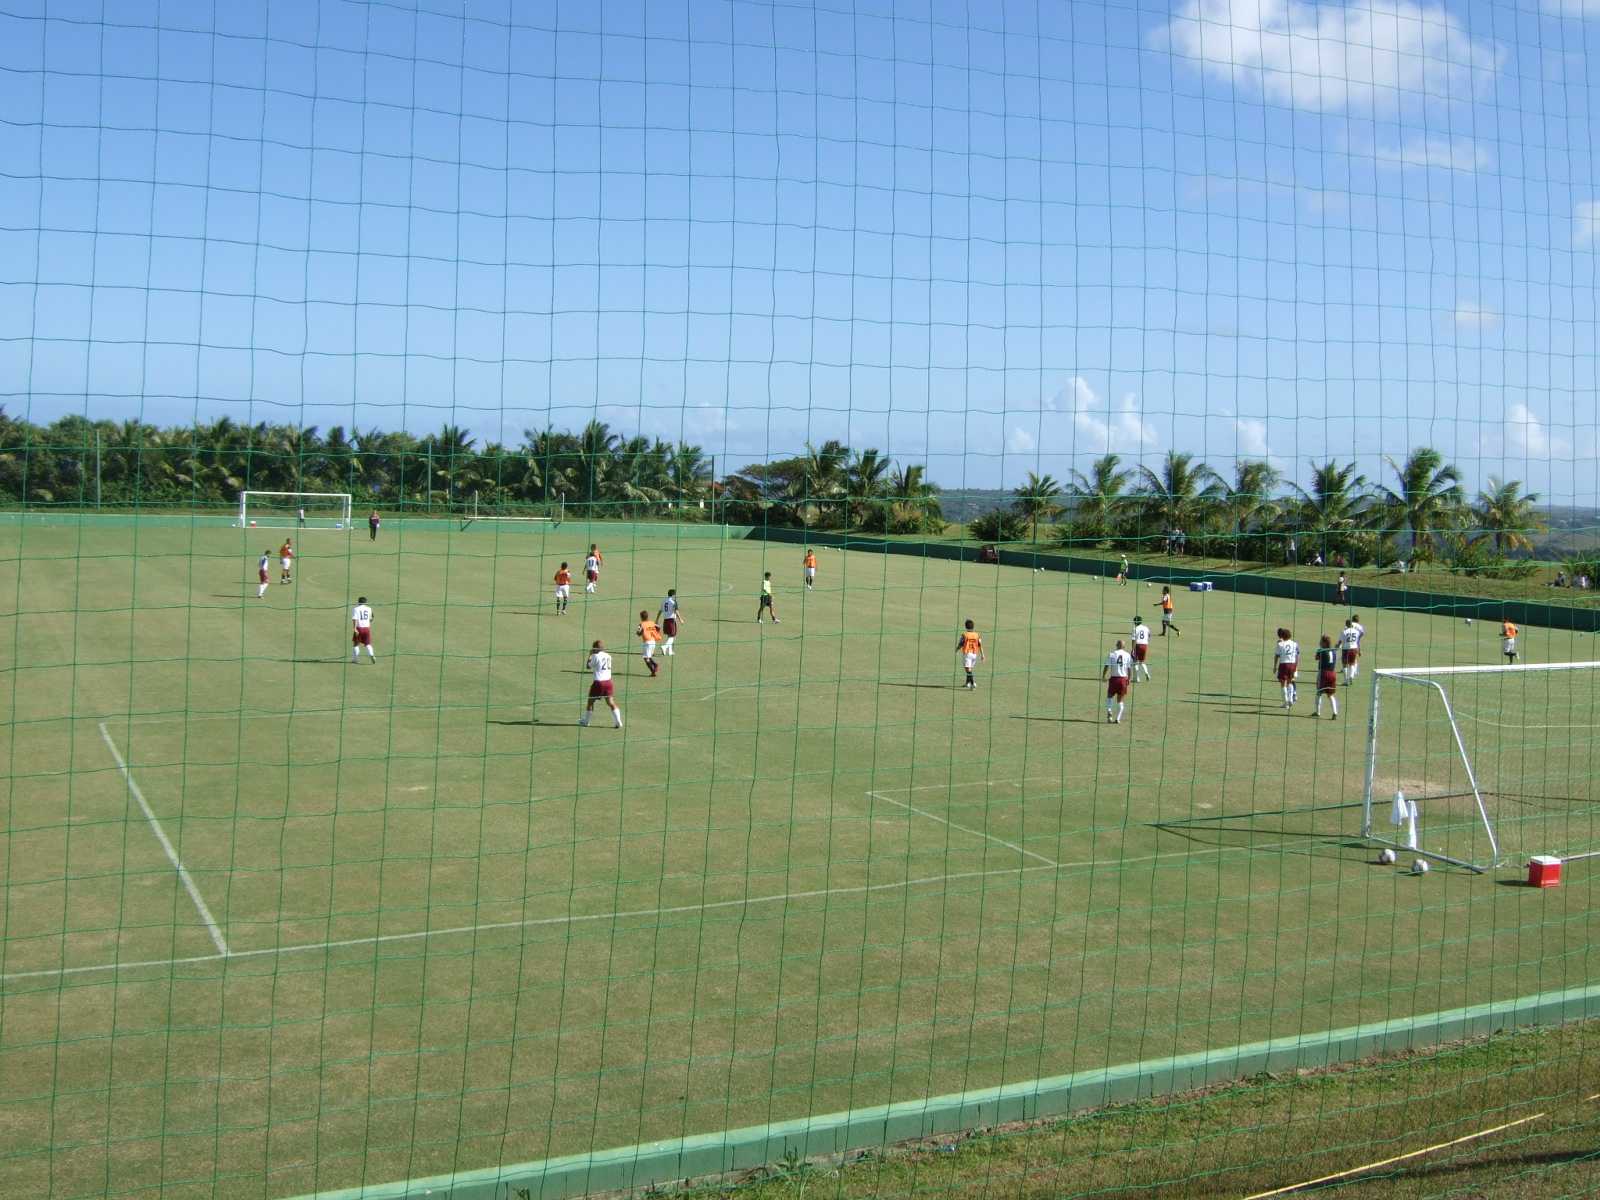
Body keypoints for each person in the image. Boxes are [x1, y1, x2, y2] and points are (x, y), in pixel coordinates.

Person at [580, 640, 623, 728]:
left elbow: (588, 666)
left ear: (595, 648)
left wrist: (590, 655)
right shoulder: (608, 656)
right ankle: (618, 721)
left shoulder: (595, 656)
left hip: (598, 683)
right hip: (608, 682)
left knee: (590, 702)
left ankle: (586, 721)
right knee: (611, 702)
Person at [1102, 639, 1133, 723]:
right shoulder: (1127, 655)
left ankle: (1109, 711)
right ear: (1124, 646)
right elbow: (1129, 669)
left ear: (1116, 645)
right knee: (1120, 700)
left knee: (1109, 696)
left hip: (1114, 679)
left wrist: (1103, 676)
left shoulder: (1112, 654)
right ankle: (1118, 719)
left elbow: (1106, 666)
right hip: (1123, 680)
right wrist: (1129, 679)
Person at [1274, 627, 1300, 708]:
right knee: (1290, 681)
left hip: (1284, 664)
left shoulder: (1280, 644)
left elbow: (1276, 656)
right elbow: (1297, 656)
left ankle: (1285, 703)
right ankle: (1291, 700)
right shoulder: (1294, 644)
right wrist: (1296, 666)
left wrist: (1274, 666)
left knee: (1283, 683)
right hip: (1292, 664)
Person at [1313, 635, 1339, 719]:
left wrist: (1318, 651)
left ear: (1324, 643)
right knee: (1330, 694)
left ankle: (1317, 712)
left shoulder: (1321, 650)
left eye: (1321, 641)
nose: (1319, 643)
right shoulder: (1333, 651)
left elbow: (1316, 658)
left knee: (1319, 693)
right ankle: (1335, 712)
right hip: (1332, 673)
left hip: (1323, 673)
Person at [956, 619, 984, 690]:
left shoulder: (964, 635)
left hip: (967, 654)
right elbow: (980, 645)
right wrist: (982, 655)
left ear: (966, 627)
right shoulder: (977, 635)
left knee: (968, 669)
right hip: (975, 654)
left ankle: (972, 683)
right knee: (969, 668)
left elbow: (961, 643)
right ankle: (967, 683)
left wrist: (957, 649)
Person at [1339, 616, 1365, 685]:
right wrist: (1359, 649)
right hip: (1354, 648)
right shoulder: (1356, 631)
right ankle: (1351, 676)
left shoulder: (1344, 631)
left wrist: (1337, 646)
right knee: (1352, 663)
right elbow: (1358, 640)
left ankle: (1346, 680)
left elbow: (1340, 642)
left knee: (1344, 665)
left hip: (1346, 649)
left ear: (1346, 625)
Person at [636, 611, 663, 677]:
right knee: (648, 656)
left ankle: (653, 672)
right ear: (647, 616)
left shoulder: (641, 624)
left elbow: (639, 633)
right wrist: (655, 631)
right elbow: (658, 627)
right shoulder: (652, 623)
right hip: (653, 641)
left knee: (646, 658)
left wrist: (639, 633)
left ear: (641, 617)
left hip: (647, 642)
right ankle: (655, 664)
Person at [350, 596, 376, 663]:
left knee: (356, 644)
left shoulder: (356, 609)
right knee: (368, 644)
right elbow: (372, 618)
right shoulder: (369, 609)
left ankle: (355, 659)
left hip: (359, 628)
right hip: (367, 628)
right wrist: (368, 622)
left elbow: (355, 619)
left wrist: (355, 628)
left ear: (358, 602)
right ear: (366, 602)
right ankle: (372, 655)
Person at [658, 589, 680, 654]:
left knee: (669, 635)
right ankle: (664, 647)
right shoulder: (673, 601)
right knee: (672, 636)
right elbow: (676, 611)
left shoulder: (664, 601)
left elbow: (660, 611)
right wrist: (680, 619)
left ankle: (670, 651)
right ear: (673, 595)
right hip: (671, 620)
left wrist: (657, 619)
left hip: (665, 620)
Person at [1131, 615, 1153, 682]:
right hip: (1145, 645)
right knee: (1142, 661)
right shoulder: (1146, 628)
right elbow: (1149, 635)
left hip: (1138, 645)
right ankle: (1147, 673)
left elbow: (1133, 639)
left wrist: (1133, 649)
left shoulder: (1135, 629)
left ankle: (1136, 678)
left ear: (1136, 622)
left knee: (1135, 662)